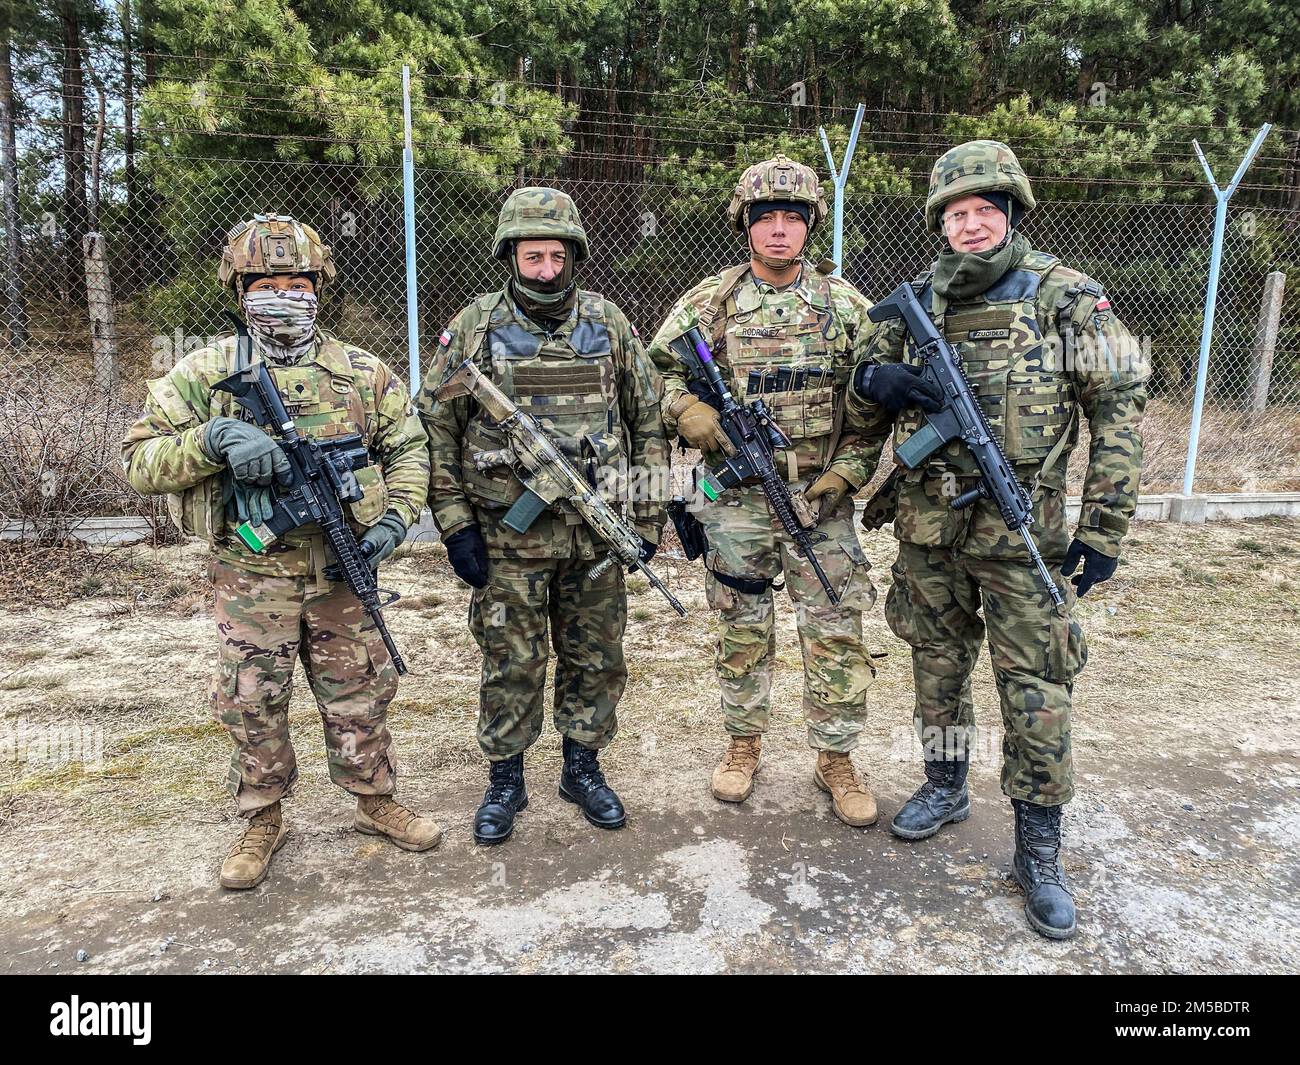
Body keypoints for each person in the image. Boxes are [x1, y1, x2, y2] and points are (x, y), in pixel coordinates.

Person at [849, 141, 1148, 939]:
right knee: (937, 672)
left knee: (1038, 693)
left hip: (1025, 540)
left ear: (1012, 214)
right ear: (940, 225)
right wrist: (877, 380)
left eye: (986, 211)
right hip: (929, 533)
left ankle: (1038, 850)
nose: (971, 224)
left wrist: (1104, 525)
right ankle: (945, 784)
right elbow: (861, 382)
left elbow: (1120, 409)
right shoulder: (916, 300)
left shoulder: (1068, 298)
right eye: (957, 214)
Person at [122, 213, 441, 890]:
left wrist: (396, 520)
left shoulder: (361, 372)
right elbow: (139, 459)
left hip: (342, 568)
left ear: (319, 286)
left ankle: (374, 799)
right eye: (266, 281)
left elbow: (411, 449)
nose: (283, 293)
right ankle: (263, 816)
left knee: (360, 685)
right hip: (251, 572)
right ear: (240, 290)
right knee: (253, 697)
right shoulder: (206, 372)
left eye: (297, 281)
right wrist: (212, 441)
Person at [417, 188, 668, 845]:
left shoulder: (609, 323)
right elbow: (435, 427)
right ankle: (506, 779)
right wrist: (455, 524)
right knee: (510, 659)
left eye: (558, 255)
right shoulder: (475, 325)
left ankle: (581, 768)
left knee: (595, 656)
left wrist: (647, 517)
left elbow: (649, 420)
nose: (547, 269)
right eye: (534, 255)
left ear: (574, 255)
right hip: (508, 537)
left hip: (594, 537)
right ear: (511, 254)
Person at [646, 155, 880, 827]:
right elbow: (653, 372)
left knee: (835, 624)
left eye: (793, 218)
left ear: (811, 227)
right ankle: (743, 743)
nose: (779, 231)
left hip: (819, 500)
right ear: (745, 225)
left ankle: (835, 756)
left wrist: (848, 474)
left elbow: (873, 407)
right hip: (737, 501)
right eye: (766, 218)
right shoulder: (709, 302)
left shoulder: (844, 307)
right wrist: (686, 411)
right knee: (742, 624)